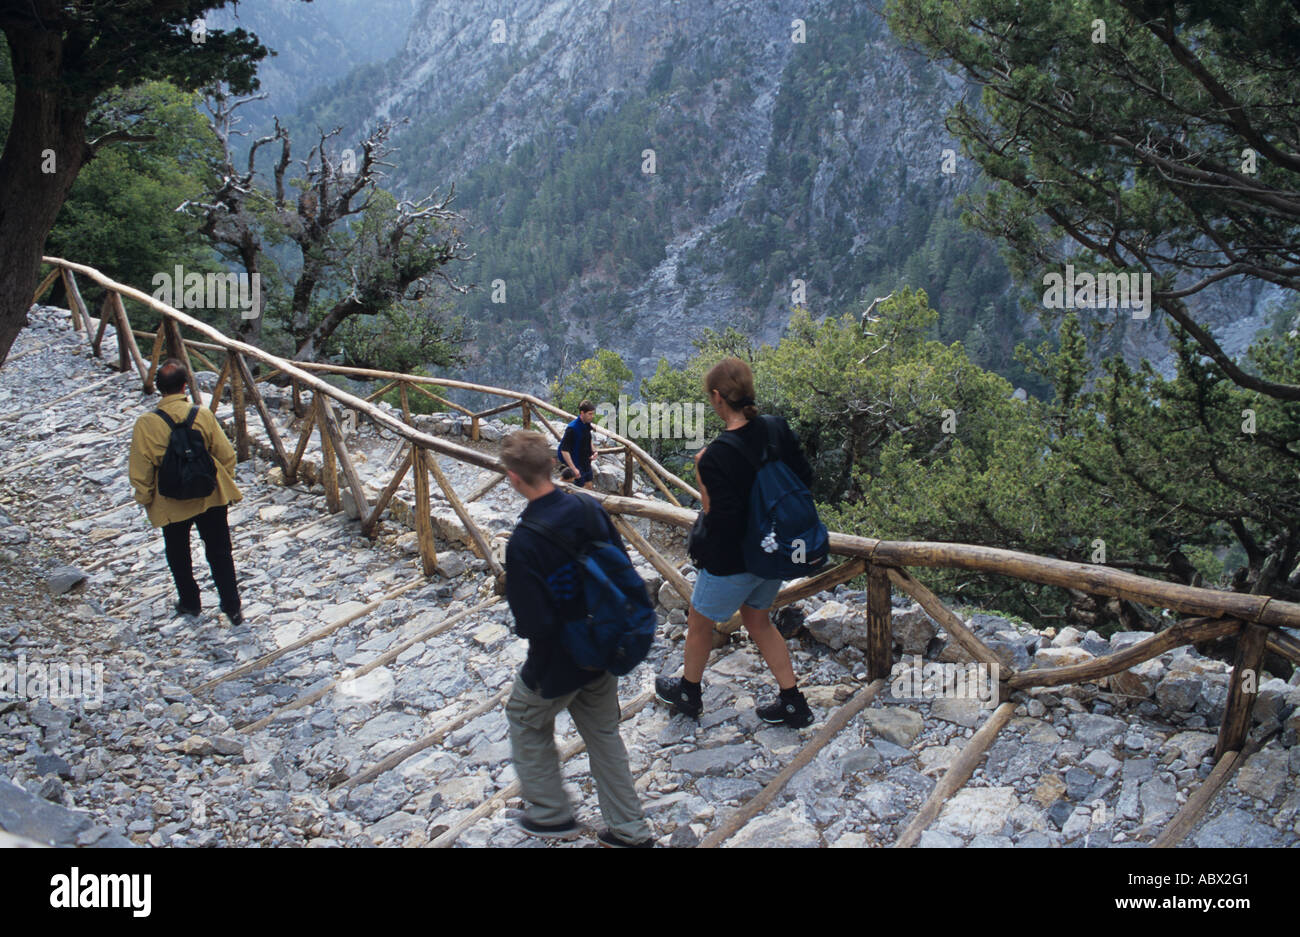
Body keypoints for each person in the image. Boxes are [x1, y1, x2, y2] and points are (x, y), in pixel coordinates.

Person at [500, 430, 653, 847]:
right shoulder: (587, 507)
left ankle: (550, 813)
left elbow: (535, 625)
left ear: (513, 478)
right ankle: (630, 830)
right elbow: (621, 564)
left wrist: (539, 676)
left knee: (524, 717)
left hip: (562, 659)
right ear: (553, 465)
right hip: (604, 644)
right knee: (603, 735)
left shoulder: (524, 542)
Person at [655, 357, 816, 728]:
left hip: (735, 560)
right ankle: (793, 701)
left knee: (699, 622)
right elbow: (803, 479)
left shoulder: (715, 455)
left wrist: (701, 475)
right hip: (775, 553)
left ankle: (688, 693)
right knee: (758, 620)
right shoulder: (778, 428)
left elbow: (719, 519)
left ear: (716, 398)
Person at [128, 358, 244, 624]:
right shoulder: (201, 414)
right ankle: (232, 607)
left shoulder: (146, 424)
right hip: (209, 495)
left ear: (159, 388)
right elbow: (226, 454)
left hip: (170, 498)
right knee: (219, 551)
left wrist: (145, 497)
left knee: (177, 552)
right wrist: (223, 481)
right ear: (184, 387)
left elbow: (141, 467)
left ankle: (190, 603)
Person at [557, 400, 596, 487]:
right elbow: (564, 450)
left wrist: (594, 451)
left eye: (593, 414)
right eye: (590, 414)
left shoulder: (587, 424)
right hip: (575, 461)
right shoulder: (572, 428)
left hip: (585, 461)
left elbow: (588, 438)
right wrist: (573, 468)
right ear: (582, 413)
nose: (592, 416)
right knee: (579, 487)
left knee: (589, 484)